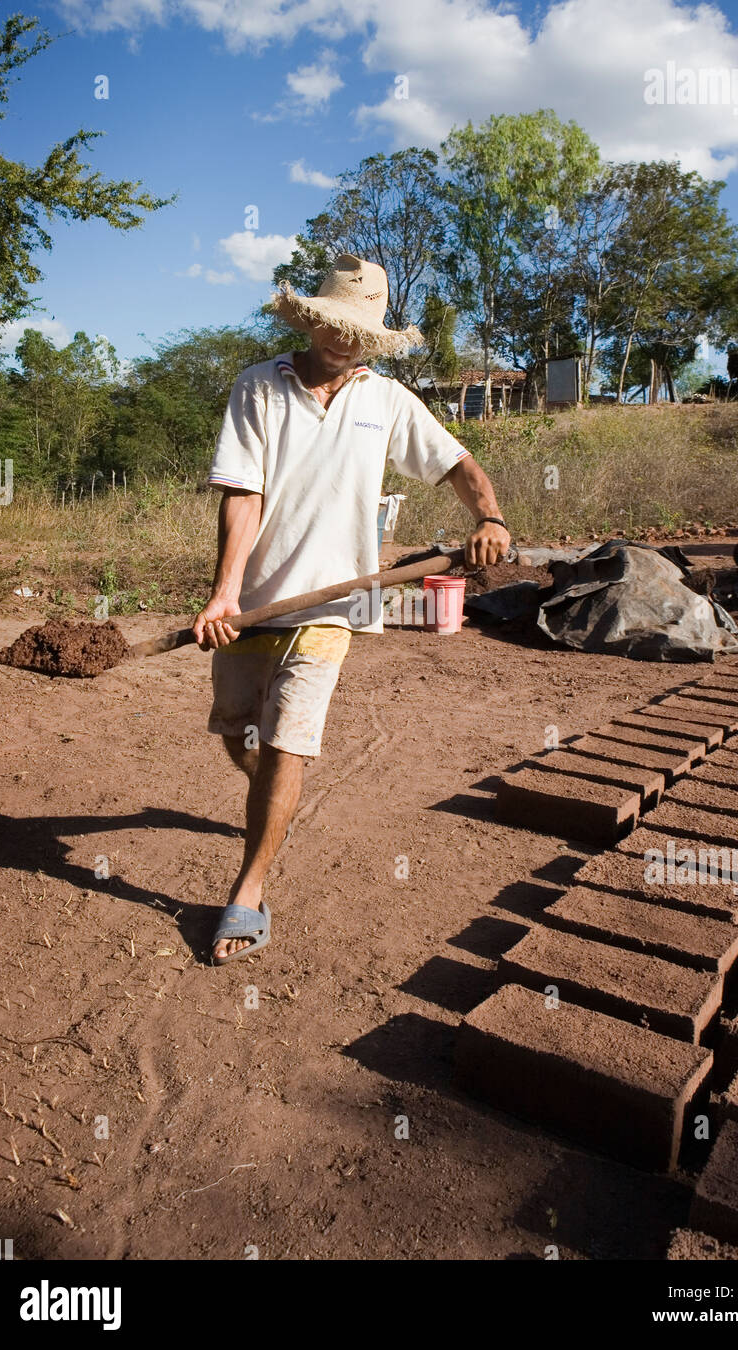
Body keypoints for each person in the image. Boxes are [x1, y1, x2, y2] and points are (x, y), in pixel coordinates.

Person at [193, 254, 509, 963]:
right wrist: (224, 593)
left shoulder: (386, 401)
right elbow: (242, 495)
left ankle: (248, 891)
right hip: (253, 605)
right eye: (334, 325)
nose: (346, 341)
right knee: (238, 734)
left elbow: (459, 465)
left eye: (361, 330)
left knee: (286, 745)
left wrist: (489, 519)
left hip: (338, 604)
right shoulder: (259, 389)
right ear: (307, 318)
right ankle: (271, 801)